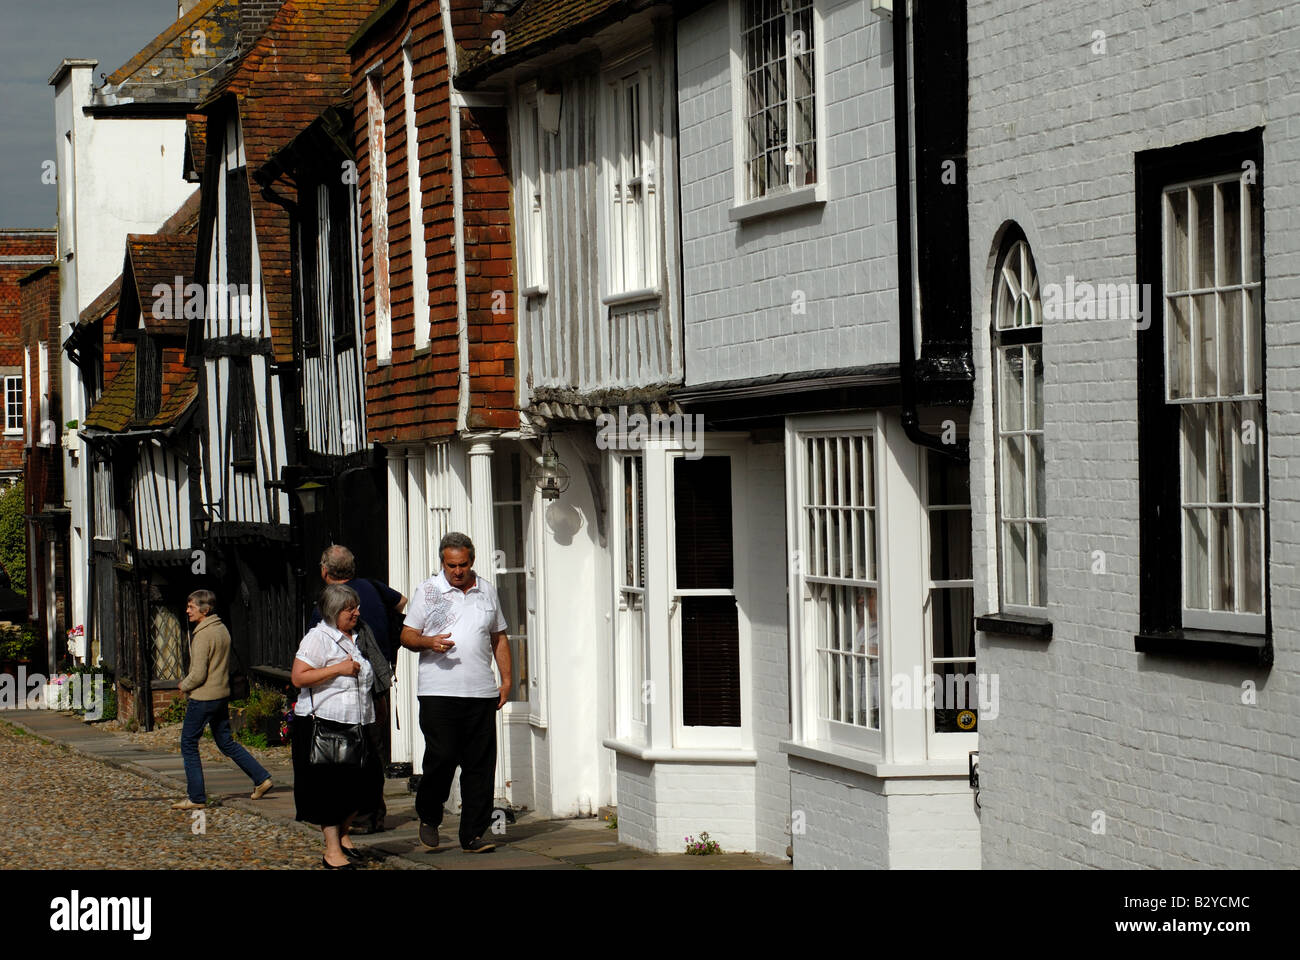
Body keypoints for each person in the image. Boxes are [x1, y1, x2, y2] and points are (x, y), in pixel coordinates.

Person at [401, 532, 511, 854]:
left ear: (471, 561)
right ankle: (430, 815)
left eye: (463, 565)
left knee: (480, 765)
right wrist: (429, 642)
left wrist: (505, 681)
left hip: (480, 691)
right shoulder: (428, 590)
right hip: (438, 691)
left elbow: (499, 638)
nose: (457, 571)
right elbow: (407, 635)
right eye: (451, 565)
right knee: (443, 757)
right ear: (442, 563)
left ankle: (473, 834)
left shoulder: (487, 591)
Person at [308, 544, 406, 832]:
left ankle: (361, 817)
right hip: (378, 680)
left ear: (325, 571)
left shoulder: (328, 603)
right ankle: (371, 815)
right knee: (371, 751)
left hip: (349, 687)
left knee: (353, 754)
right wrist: (389, 637)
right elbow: (402, 603)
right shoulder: (374, 587)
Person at [291, 583, 383, 869]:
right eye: (349, 609)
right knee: (330, 790)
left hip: (358, 722)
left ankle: (343, 837)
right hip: (325, 724)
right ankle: (332, 851)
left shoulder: (359, 636)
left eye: (356, 607)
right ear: (333, 612)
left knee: (367, 786)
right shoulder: (318, 638)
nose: (356, 612)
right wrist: (337, 669)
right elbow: (298, 677)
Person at [172, 590, 273, 810]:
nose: (187, 610)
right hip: (220, 695)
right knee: (226, 742)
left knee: (188, 743)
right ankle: (261, 778)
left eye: (191, 607)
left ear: (204, 610)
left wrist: (184, 685)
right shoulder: (221, 629)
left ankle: (196, 797)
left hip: (203, 697)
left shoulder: (203, 635)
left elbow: (198, 674)